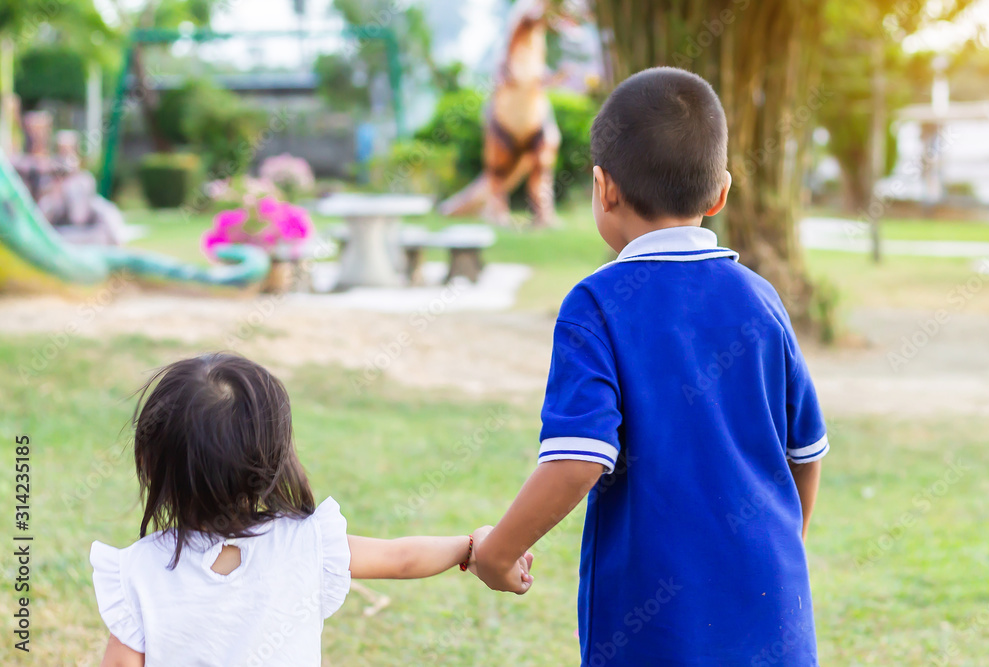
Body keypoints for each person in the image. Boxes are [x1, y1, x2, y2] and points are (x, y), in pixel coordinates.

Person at [471, 67, 828, 665]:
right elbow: (806, 454)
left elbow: (578, 459)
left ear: (603, 188)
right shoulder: (762, 299)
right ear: (720, 194)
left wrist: (498, 553)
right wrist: (780, 551)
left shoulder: (596, 305)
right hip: (774, 613)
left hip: (652, 627)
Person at [90, 353, 532, 666]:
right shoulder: (307, 544)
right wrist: (470, 546)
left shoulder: (138, 572)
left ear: (150, 462)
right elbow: (401, 558)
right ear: (273, 461)